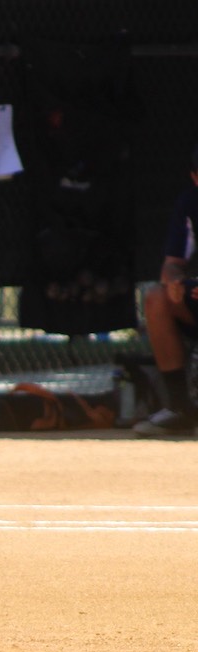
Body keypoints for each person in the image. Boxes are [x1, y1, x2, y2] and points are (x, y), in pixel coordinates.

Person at [132, 144, 198, 437]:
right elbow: (172, 265)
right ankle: (180, 408)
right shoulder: (189, 204)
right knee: (156, 298)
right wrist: (175, 282)